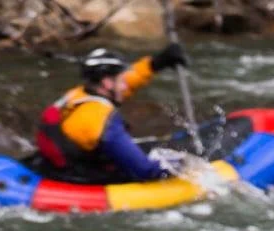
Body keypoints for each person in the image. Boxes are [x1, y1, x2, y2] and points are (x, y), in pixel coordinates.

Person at [34, 44, 191, 184]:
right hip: (82, 176)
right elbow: (146, 171)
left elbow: (128, 83)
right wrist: (186, 165)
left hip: (56, 165)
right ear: (107, 83)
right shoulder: (102, 120)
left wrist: (156, 63)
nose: (125, 85)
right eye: (121, 80)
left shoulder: (78, 95)